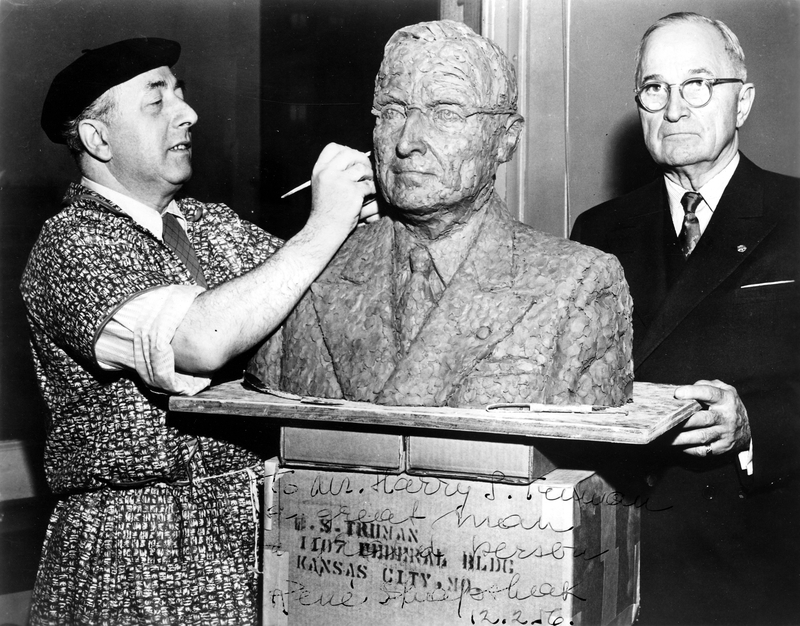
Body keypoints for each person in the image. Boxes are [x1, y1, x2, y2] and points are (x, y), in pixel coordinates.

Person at [21, 38, 375, 625]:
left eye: (181, 94)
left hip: (251, 535)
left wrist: (360, 231)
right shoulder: (71, 245)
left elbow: (313, 303)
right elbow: (200, 341)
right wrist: (324, 225)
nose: (188, 113)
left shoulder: (213, 225)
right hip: (134, 555)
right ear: (97, 139)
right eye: (156, 100)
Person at [249, 20, 633, 411]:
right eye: (393, 111)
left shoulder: (578, 284)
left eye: (446, 113)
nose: (407, 142)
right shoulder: (305, 274)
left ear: (506, 139)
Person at [571, 12, 799, 625]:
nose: (673, 109)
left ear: (742, 102)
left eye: (697, 84)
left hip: (763, 555)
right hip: (627, 547)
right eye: (655, 87)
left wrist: (754, 423)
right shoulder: (599, 230)